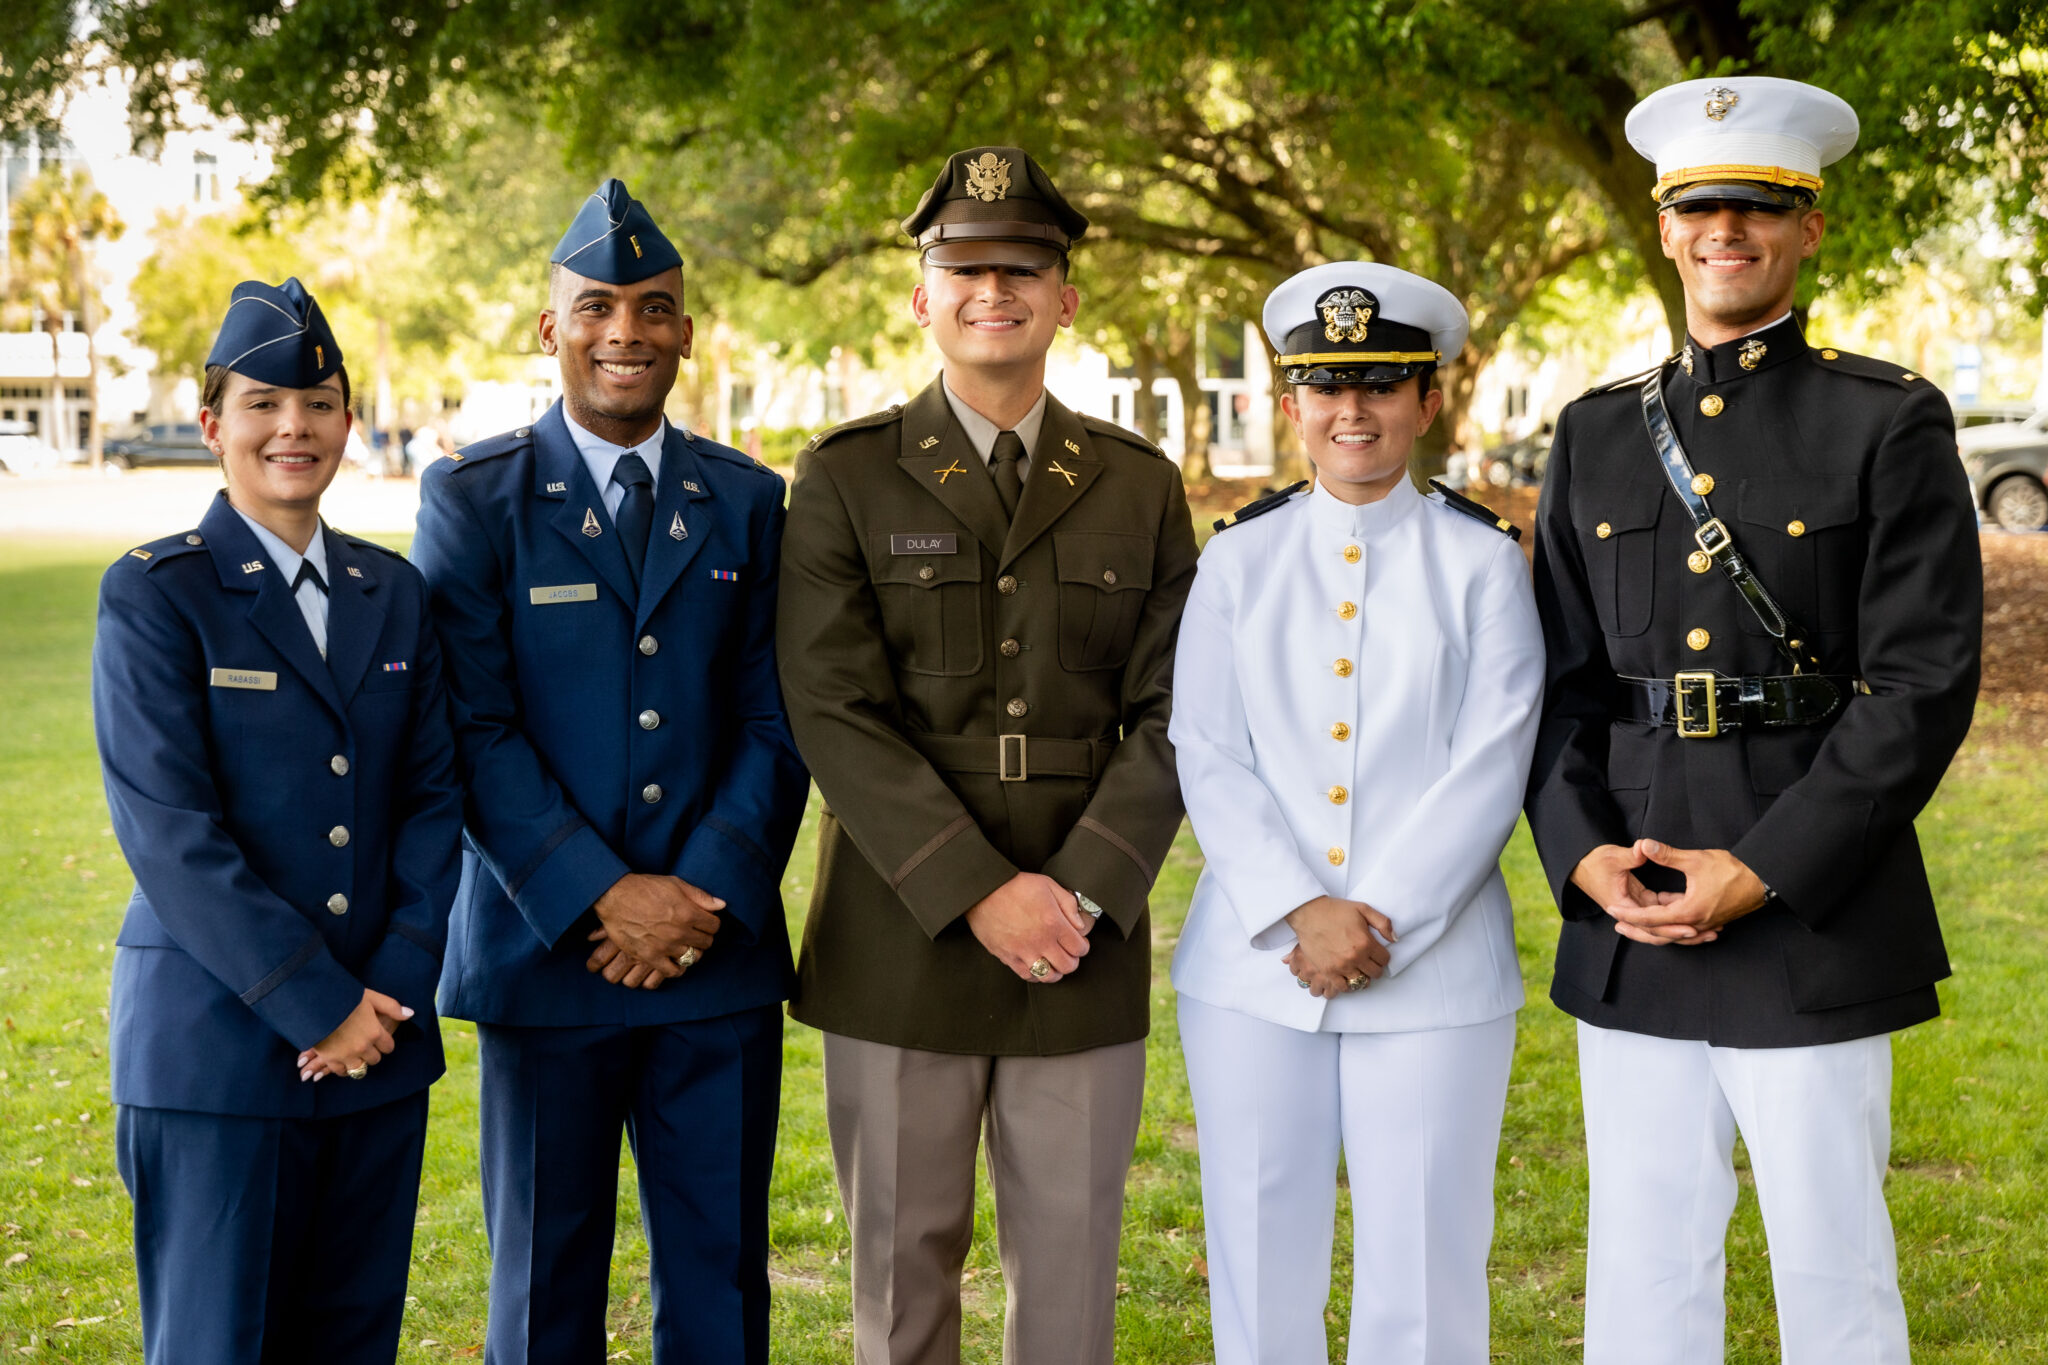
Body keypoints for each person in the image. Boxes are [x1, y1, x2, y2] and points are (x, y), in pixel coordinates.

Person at [1525, 76, 1982, 1364]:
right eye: (1700, 207)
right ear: (1664, 228)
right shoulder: (1597, 432)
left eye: (1759, 208)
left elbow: (1919, 686)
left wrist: (1762, 869)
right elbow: (1556, 684)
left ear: (1807, 230)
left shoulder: (1883, 419)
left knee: (1828, 1262)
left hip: (1808, 904)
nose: (1727, 230)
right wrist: (1580, 854)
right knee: (1640, 1259)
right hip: (1632, 891)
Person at [776, 146, 1199, 1364]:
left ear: (1066, 297)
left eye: (1024, 267)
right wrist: (978, 893)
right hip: (900, 936)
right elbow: (832, 706)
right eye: (963, 268)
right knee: (900, 1285)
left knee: (1068, 1287)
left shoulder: (1135, 484)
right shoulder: (844, 477)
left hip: (1079, 932)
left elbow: (1174, 713)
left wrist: (1074, 894)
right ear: (922, 297)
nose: (992, 290)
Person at [411, 180, 808, 1364]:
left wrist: (697, 899)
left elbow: (775, 720)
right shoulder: (473, 499)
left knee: (723, 1282)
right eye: (595, 308)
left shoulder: (745, 501)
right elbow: (469, 728)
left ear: (688, 330)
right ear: (549, 329)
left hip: (711, 952)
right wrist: (601, 895)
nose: (623, 333)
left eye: (653, 309)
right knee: (541, 1290)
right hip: (547, 953)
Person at [1170, 262, 1542, 1364]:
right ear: (1288, 406)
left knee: (1425, 1268)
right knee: (1255, 1247)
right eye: (1326, 387)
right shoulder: (1235, 558)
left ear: (1427, 404)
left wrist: (1373, 915)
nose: (1352, 411)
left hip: (1432, 968)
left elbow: (1494, 754)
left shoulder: (1482, 561)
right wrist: (1298, 909)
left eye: (1381, 386)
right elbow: (1205, 748)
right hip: (1252, 964)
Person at [93, 277, 464, 1363]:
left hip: (379, 1047)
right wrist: (316, 1005)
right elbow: (170, 831)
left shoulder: (391, 591)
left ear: (349, 420)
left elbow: (433, 800)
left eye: (317, 403)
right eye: (261, 404)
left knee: (352, 1341)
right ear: (212, 424)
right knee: (219, 1344)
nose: (292, 428)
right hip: (217, 1050)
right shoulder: (160, 593)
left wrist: (384, 992)